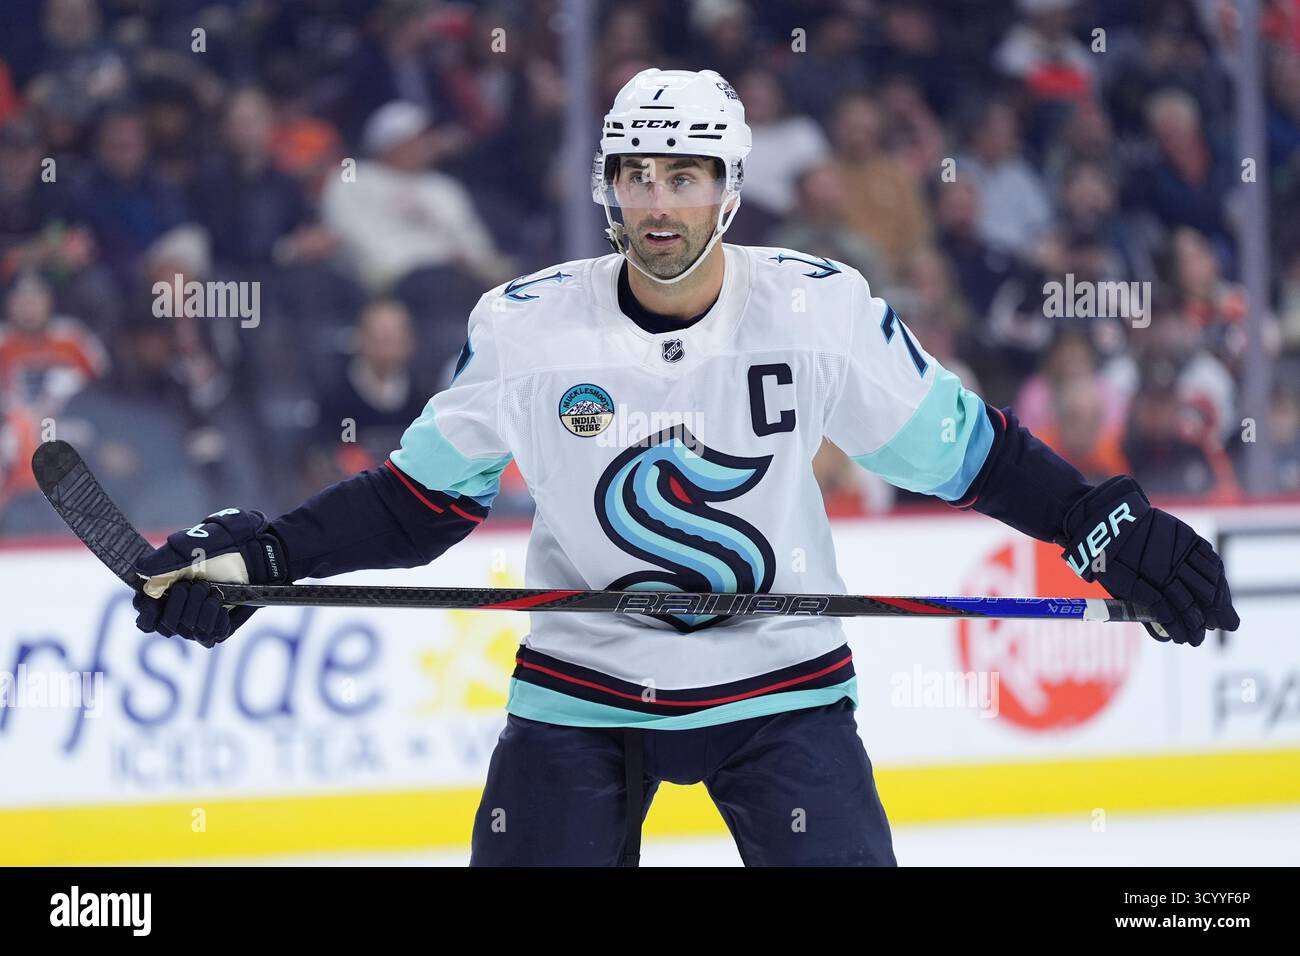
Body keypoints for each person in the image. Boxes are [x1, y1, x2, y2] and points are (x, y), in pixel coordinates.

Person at [129, 69, 1240, 867]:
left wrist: (1099, 520)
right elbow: (420, 501)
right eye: (637, 174)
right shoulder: (524, 328)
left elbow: (970, 453)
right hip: (584, 687)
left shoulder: (817, 307)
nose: (658, 202)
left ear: (730, 188)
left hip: (780, 685)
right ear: (608, 184)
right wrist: (269, 551)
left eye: (685, 175)